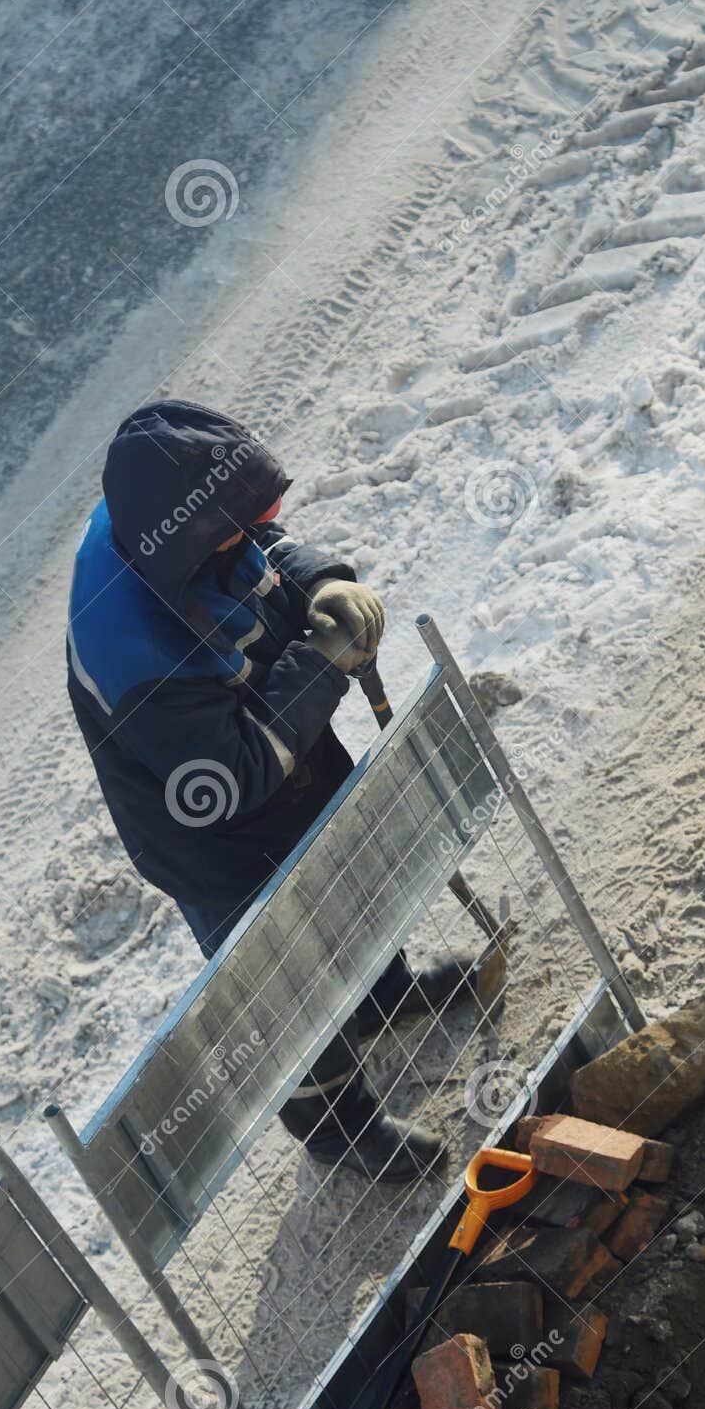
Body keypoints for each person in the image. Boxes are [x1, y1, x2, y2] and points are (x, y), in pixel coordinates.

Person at [66, 400, 474, 1184]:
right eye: (238, 525)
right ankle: (338, 1131)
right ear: (186, 538)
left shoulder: (167, 511)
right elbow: (237, 773)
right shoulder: (130, 652)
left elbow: (260, 543)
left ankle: (380, 996)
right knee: (285, 981)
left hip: (284, 752)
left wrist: (322, 585)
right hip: (215, 840)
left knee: (347, 882)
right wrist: (322, 659)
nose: (254, 533)